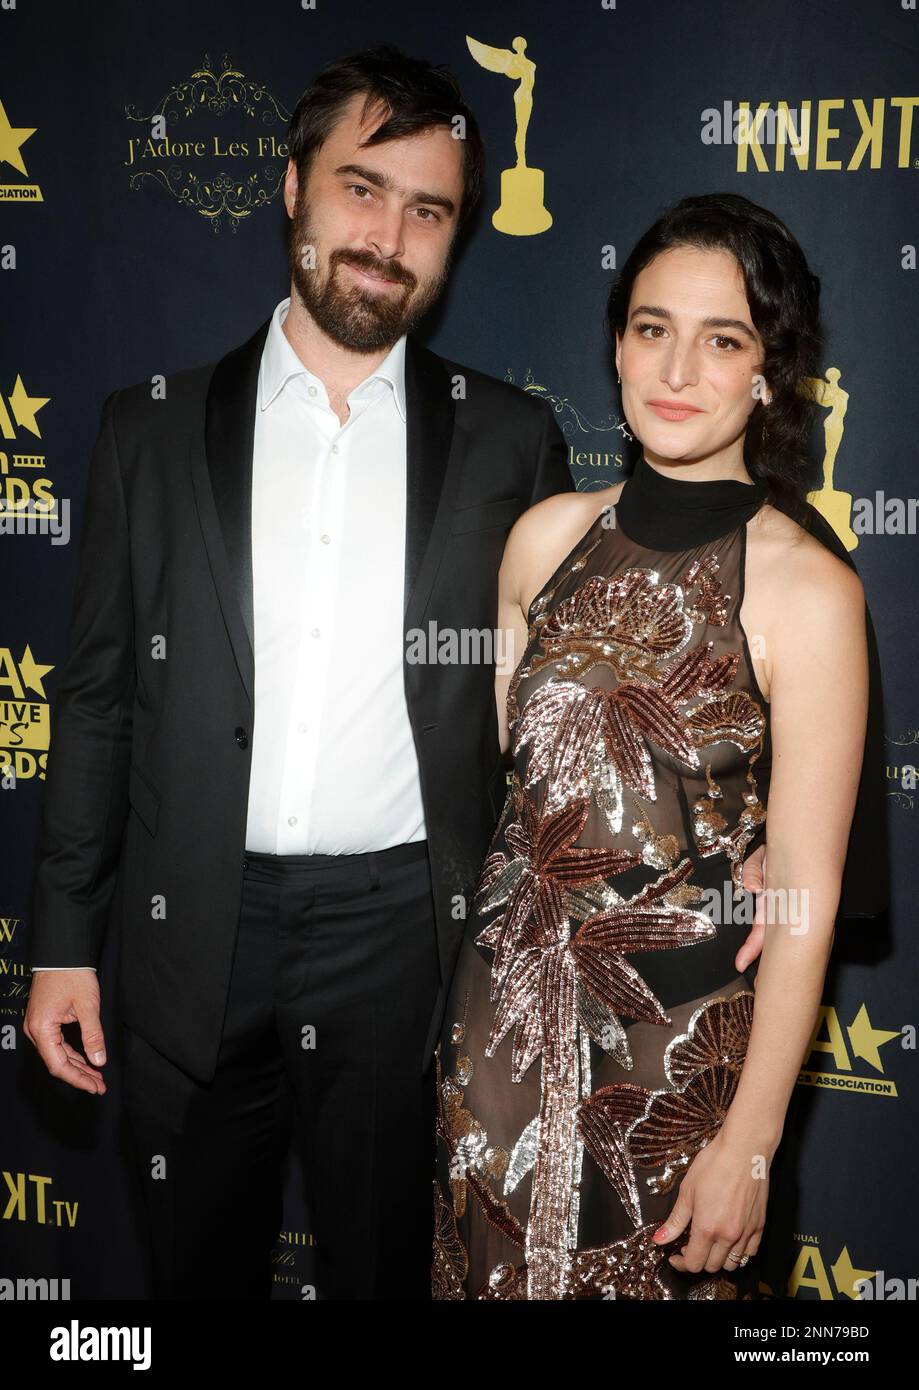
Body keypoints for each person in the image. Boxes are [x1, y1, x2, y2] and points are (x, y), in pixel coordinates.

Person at [23, 45, 586, 1301]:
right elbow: (99, 698)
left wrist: (740, 838)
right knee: (191, 1272)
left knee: (392, 1271)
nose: (389, 236)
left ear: (455, 239)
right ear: (290, 189)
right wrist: (61, 943)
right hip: (191, 929)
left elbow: (570, 707)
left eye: (427, 210)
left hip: (405, 941)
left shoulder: (511, 440)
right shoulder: (149, 426)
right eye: (361, 188)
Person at [431, 192, 886, 1300]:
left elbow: (805, 897)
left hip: (673, 1076)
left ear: (768, 369)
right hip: (494, 1052)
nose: (676, 367)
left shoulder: (808, 589)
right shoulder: (542, 541)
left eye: (721, 338)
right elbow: (518, 792)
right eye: (650, 327)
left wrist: (751, 1141)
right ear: (617, 345)